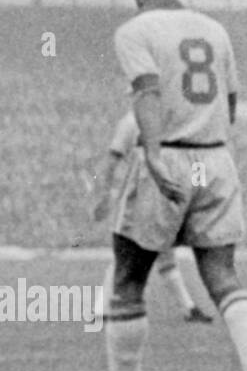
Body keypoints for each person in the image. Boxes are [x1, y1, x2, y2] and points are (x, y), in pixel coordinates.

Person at [104, 0, 247, 371]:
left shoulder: (135, 30)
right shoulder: (215, 31)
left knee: (128, 276)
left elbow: (146, 92)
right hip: (216, 158)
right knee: (221, 272)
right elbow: (232, 104)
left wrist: (155, 153)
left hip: (169, 157)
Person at [91, 111, 213, 323]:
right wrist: (103, 194)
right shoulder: (135, 120)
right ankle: (100, 311)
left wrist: (197, 191)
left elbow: (196, 160)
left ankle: (188, 308)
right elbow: (112, 159)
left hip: (165, 202)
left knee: (162, 256)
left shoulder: (175, 121)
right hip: (138, 201)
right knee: (128, 255)